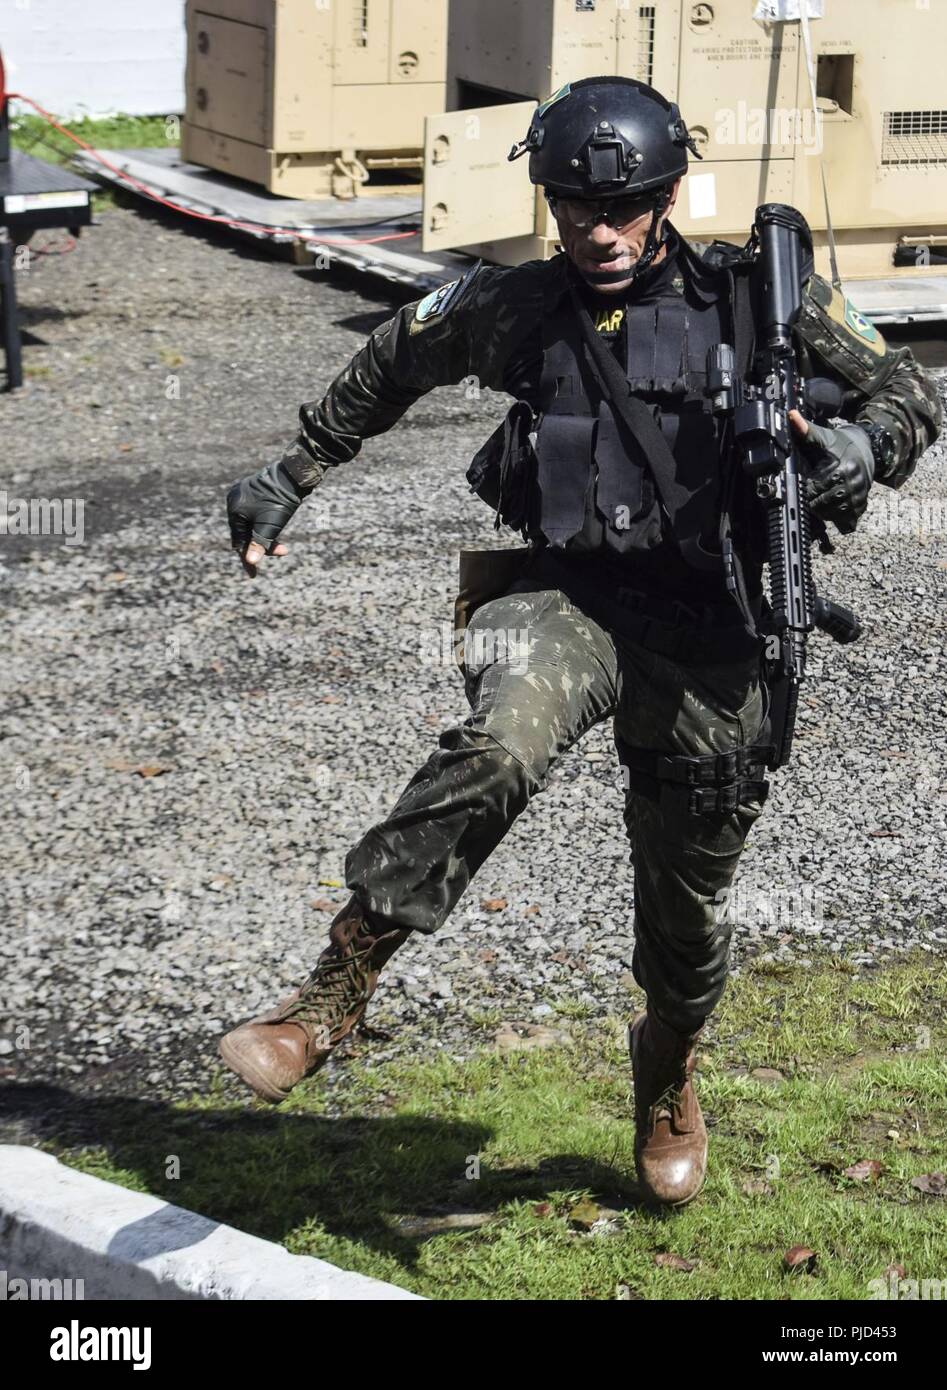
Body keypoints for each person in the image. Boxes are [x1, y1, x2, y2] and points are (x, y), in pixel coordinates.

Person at [218, 77, 941, 1207]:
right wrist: (295, 470)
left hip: (709, 623)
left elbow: (905, 385)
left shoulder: (760, 300)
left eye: (623, 209)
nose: (598, 234)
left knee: (685, 904)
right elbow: (393, 357)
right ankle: (327, 999)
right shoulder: (513, 306)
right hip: (563, 599)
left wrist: (861, 443)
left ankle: (665, 1072)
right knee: (495, 742)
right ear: (548, 201)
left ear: (664, 198)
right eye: (572, 208)